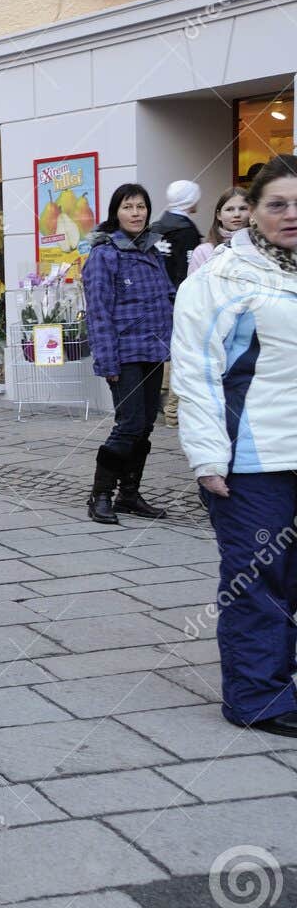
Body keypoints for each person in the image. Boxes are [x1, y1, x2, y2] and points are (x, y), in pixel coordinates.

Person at [173, 154, 297, 737]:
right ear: (252, 211)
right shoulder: (220, 278)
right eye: (278, 204)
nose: (291, 215)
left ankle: (284, 679)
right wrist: (207, 459)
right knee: (259, 578)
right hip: (252, 461)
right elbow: (197, 372)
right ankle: (257, 699)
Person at [82, 184, 173, 524]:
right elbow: (99, 312)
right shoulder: (104, 254)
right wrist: (107, 361)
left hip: (152, 351)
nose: (136, 213)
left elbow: (167, 297)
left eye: (141, 207)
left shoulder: (151, 251)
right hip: (124, 354)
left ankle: (129, 495)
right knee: (128, 425)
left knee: (145, 425)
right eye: (128, 207)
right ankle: (100, 494)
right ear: (115, 213)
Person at [153, 180, 204, 426]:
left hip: (156, 300)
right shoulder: (186, 231)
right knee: (179, 354)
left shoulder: (157, 226)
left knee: (166, 354)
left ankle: (159, 400)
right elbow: (189, 269)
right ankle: (173, 412)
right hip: (178, 299)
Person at [187, 187, 251, 277]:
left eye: (243, 208)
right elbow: (193, 289)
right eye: (229, 209)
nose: (237, 214)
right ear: (219, 215)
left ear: (252, 212)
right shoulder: (203, 252)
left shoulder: (263, 248)